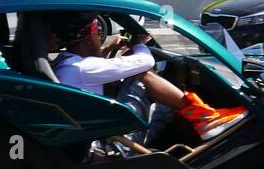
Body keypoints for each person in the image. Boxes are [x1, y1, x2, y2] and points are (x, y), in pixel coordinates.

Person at [49, 12, 245, 145]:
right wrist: (140, 43)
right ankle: (204, 118)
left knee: (163, 103)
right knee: (141, 76)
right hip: (111, 143)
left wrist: (108, 49)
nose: (100, 38)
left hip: (96, 135)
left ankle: (195, 121)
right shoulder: (83, 68)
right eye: (97, 33)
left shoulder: (66, 63)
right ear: (85, 39)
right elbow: (144, 62)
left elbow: (92, 66)